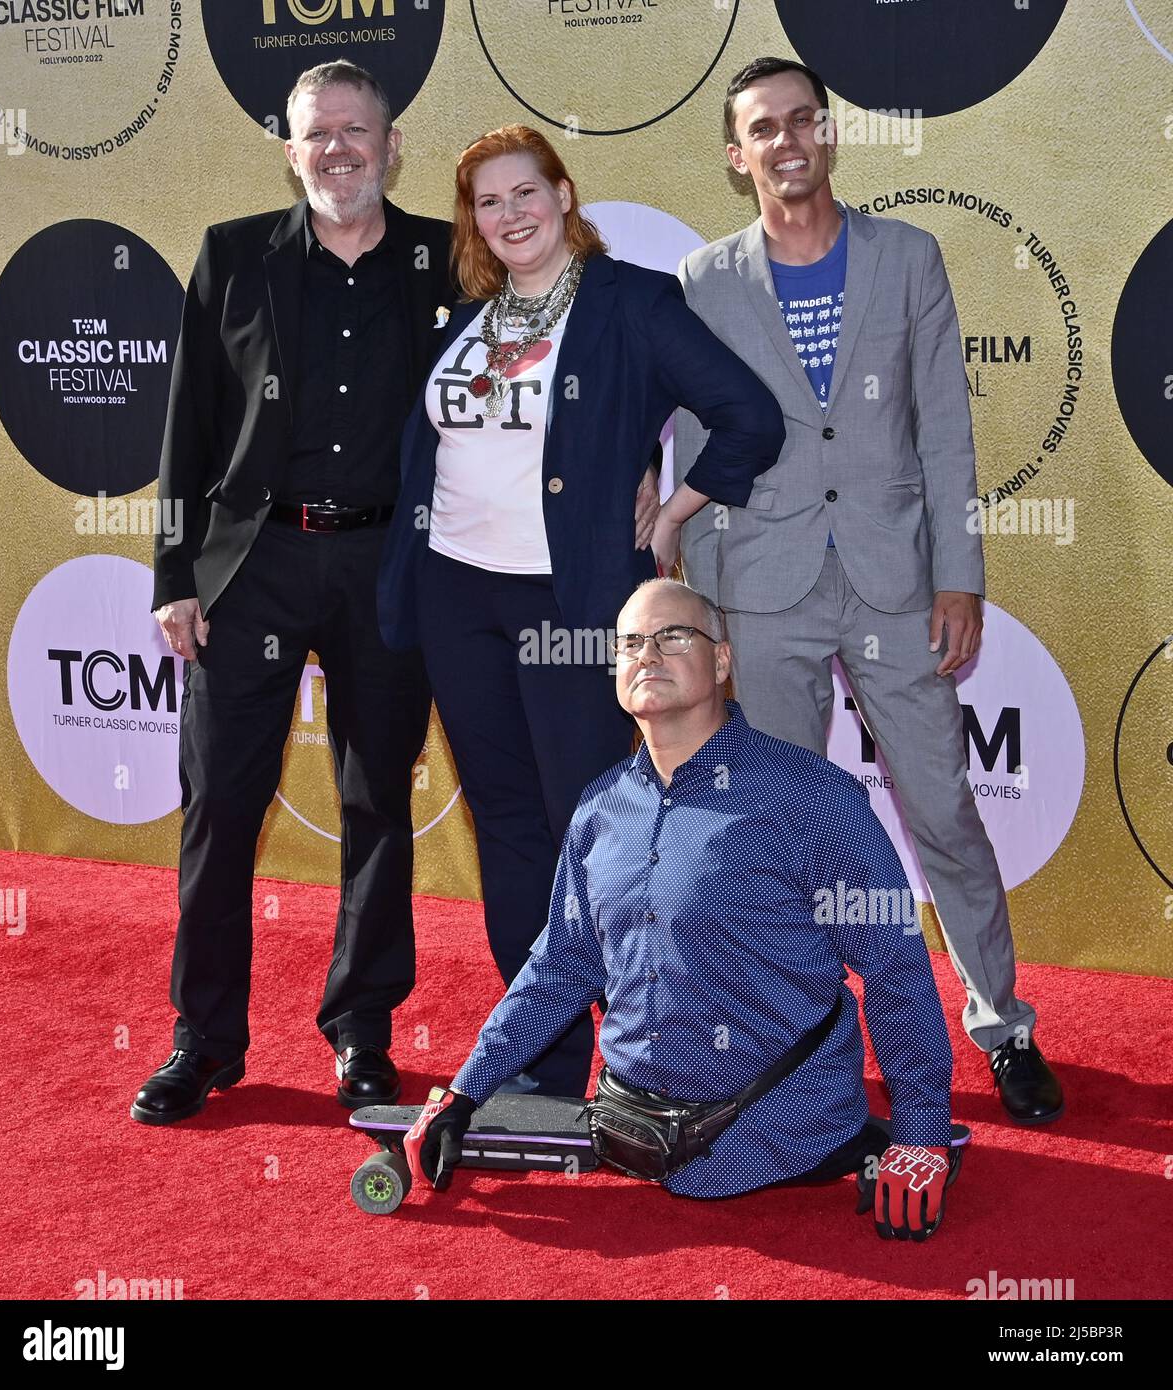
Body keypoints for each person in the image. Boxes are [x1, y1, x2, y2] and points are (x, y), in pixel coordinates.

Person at [673, 57, 1063, 1124]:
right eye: (764, 127)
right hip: (763, 587)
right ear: (735, 152)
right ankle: (803, 1036)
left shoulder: (908, 258)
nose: (788, 139)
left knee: (943, 810)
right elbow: (699, 448)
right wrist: (702, 609)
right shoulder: (704, 281)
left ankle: (1003, 1024)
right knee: (779, 827)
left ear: (830, 133)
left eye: (805, 119)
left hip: (895, 583)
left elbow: (945, 429)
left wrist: (959, 576)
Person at [377, 124, 785, 1100]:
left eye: (527, 192)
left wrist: (674, 503)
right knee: (511, 827)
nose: (510, 213)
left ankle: (659, 1053)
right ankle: (549, 1061)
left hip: (567, 607)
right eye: (488, 201)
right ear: (471, 221)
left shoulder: (631, 302)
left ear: (564, 196)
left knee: (593, 830)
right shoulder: (464, 320)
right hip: (454, 597)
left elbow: (749, 414)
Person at [404, 579, 960, 1241]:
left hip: (785, 1143)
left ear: (722, 661)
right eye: (631, 643)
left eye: (673, 636)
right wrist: (465, 1091)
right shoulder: (600, 808)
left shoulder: (814, 800)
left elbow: (894, 964)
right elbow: (560, 969)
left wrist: (922, 1133)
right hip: (630, 1135)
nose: (648, 654)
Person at [131, 61, 455, 1125]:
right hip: (252, 568)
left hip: (390, 571)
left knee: (376, 807)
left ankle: (363, 1030)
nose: (339, 151)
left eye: (358, 132)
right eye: (319, 134)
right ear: (290, 147)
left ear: (392, 144)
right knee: (221, 809)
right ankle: (205, 1039)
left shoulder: (440, 259)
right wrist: (176, 574)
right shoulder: (232, 255)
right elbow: (187, 429)